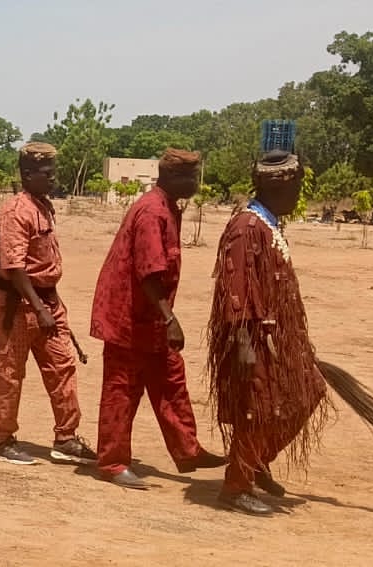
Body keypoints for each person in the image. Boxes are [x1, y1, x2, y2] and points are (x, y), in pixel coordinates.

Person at [90, 148, 226, 489]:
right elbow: (149, 272)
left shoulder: (168, 208)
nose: (195, 183)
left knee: (170, 378)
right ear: (172, 177)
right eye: (190, 177)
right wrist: (170, 319)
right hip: (128, 317)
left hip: (150, 316)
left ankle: (188, 449)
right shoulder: (152, 212)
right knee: (122, 388)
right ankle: (112, 462)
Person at [208, 151, 329, 515]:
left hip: (276, 339)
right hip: (253, 339)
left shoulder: (267, 224)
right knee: (257, 409)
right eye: (296, 188)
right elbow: (236, 288)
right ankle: (236, 487)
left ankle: (256, 460)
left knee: (309, 389)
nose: (298, 195)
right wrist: (244, 343)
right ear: (280, 188)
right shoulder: (247, 227)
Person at [0, 142, 97, 465]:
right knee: (10, 373)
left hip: (47, 302)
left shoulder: (43, 206)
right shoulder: (16, 212)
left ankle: (66, 438)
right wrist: (38, 308)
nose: (52, 179)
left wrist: (48, 306)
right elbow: (14, 266)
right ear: (27, 174)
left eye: (53, 173)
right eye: (46, 174)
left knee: (63, 366)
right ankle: (3, 440)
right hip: (21, 307)